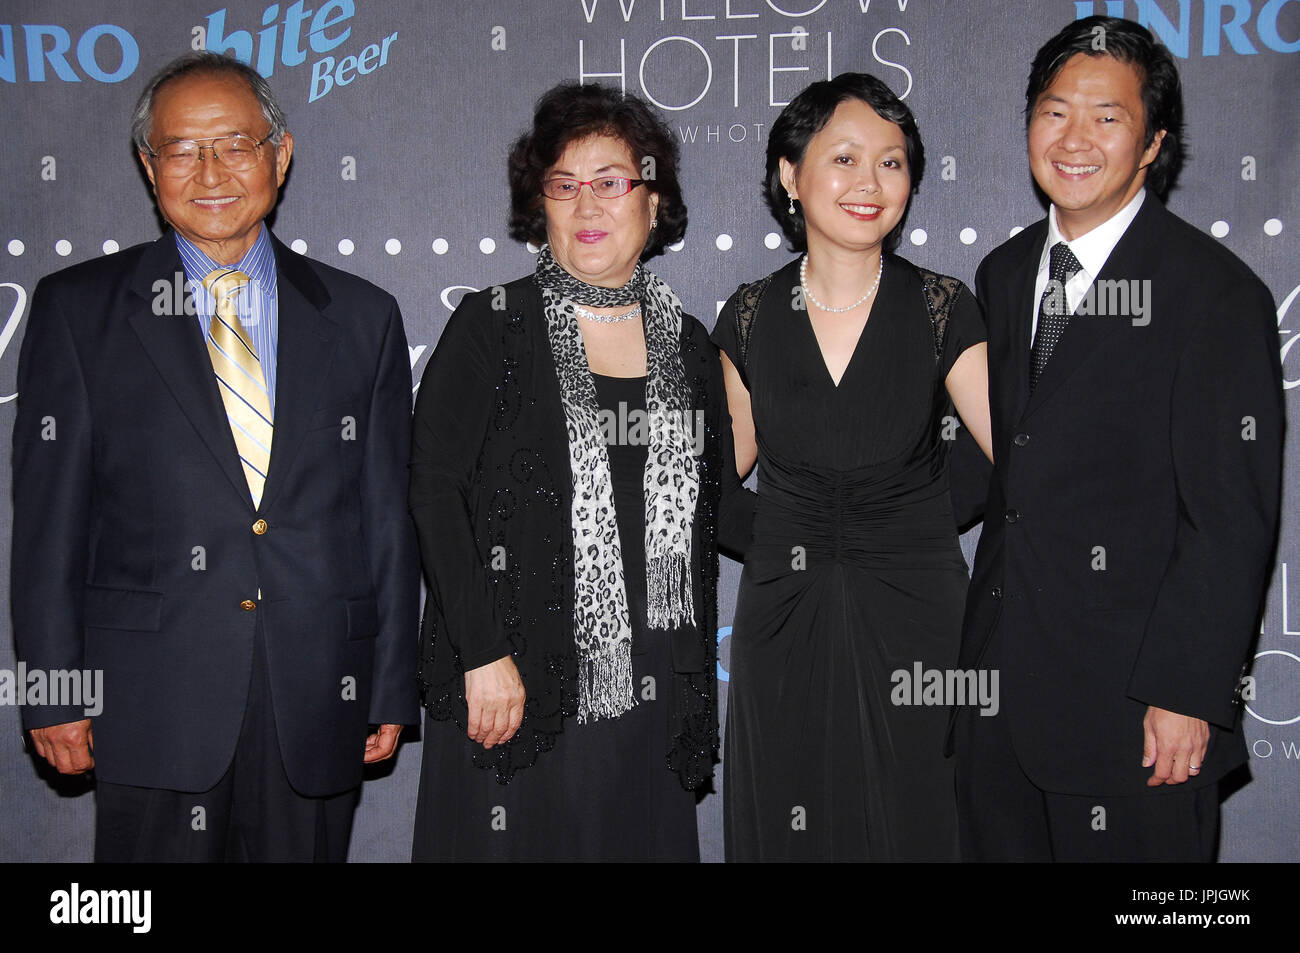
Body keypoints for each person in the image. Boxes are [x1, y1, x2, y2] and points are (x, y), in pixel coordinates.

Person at [11, 51, 419, 862]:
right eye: (180, 149)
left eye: (234, 143)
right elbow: (48, 523)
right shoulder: (77, 310)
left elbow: (385, 516)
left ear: (281, 153)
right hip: (147, 698)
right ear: (146, 164)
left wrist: (387, 681)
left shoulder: (361, 315)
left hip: (314, 692)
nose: (210, 171)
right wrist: (51, 688)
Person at [951, 16, 1283, 862]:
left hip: (1138, 716)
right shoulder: (1005, 270)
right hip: (1000, 706)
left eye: (1108, 117)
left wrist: (1188, 694)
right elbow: (1004, 471)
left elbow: (1230, 517)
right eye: (1055, 111)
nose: (1075, 139)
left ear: (1152, 144)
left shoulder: (1214, 294)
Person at [409, 83, 754, 861]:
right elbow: (434, 491)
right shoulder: (493, 325)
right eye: (564, 184)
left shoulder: (691, 348)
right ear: (542, 204)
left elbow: (722, 510)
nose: (587, 203)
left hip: (652, 687)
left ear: (652, 200)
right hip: (512, 680)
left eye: (611, 180)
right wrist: (481, 652)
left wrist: (862, 526)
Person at [712, 73, 993, 861]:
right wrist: (796, 534)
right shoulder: (750, 314)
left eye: (892, 162)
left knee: (922, 813)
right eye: (843, 158)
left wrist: (915, 520)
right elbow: (711, 486)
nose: (870, 183)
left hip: (919, 607)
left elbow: (1022, 453)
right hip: (784, 612)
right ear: (789, 174)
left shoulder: (943, 305)